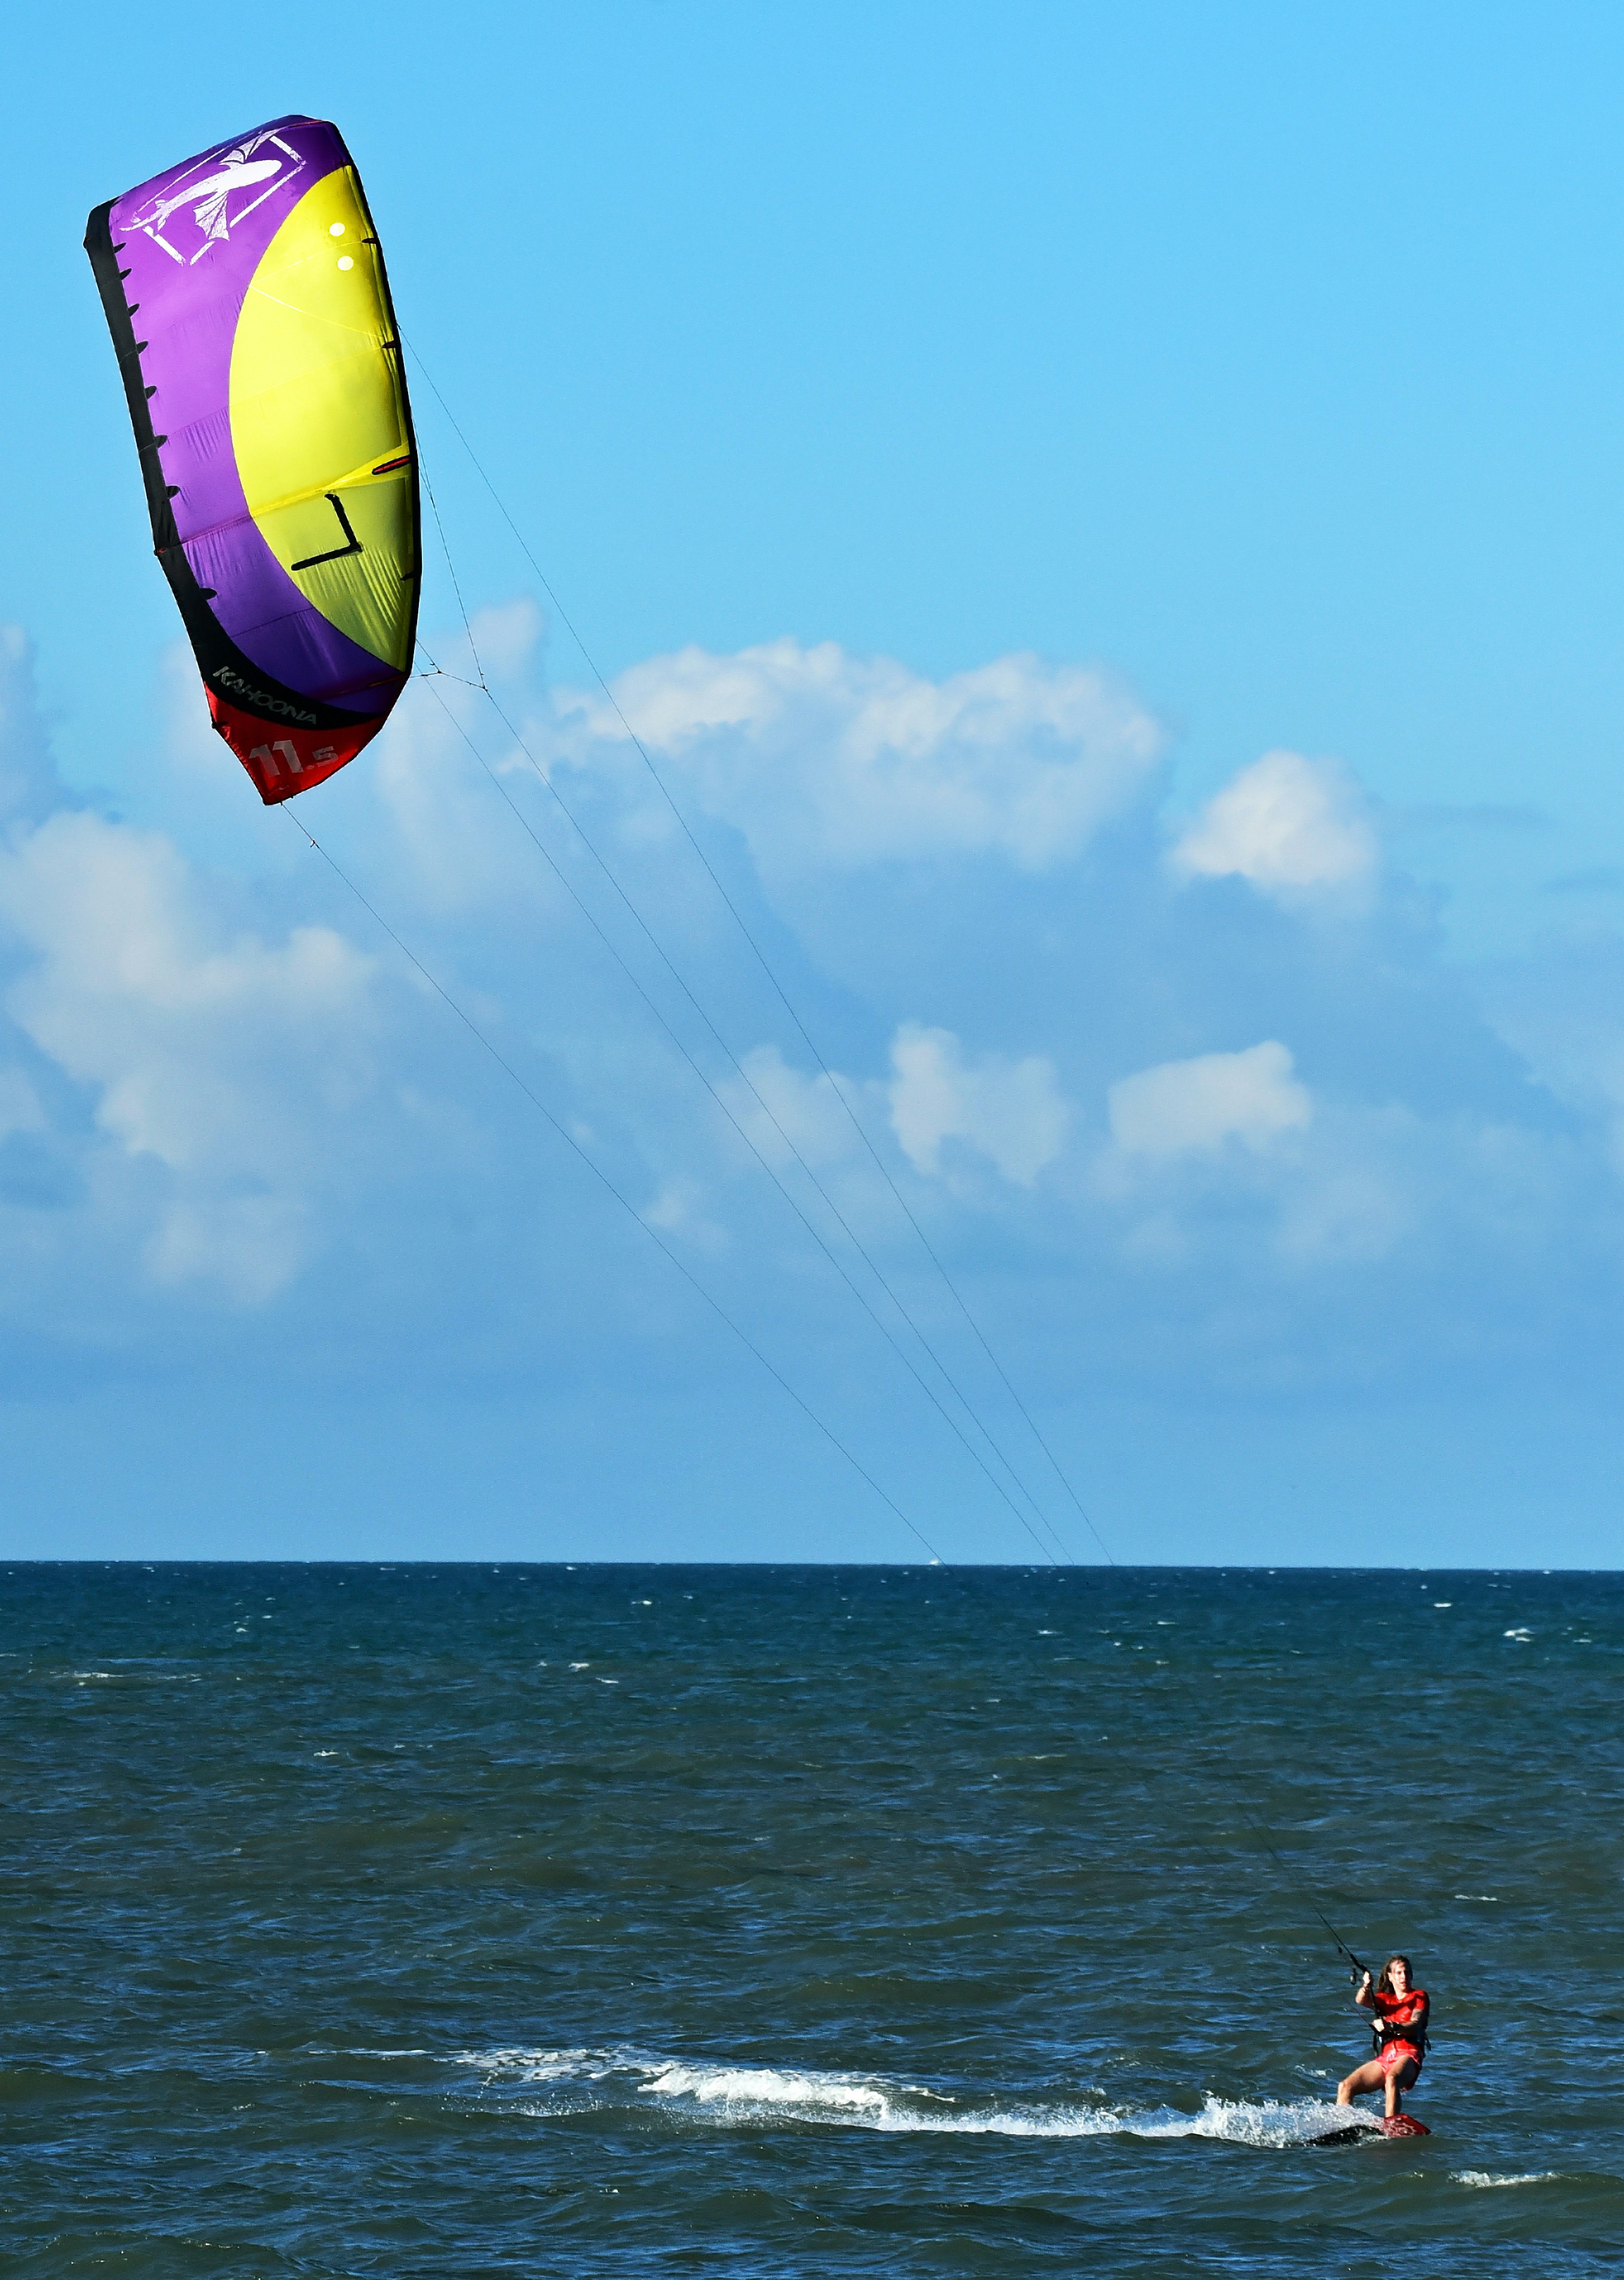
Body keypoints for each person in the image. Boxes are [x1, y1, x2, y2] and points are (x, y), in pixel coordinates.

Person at [1336, 1954, 1429, 2119]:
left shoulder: (1419, 1997)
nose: (1404, 1977)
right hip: (1386, 2058)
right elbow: (1361, 2000)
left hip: (1410, 2055)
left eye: (1407, 1972)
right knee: (1345, 2086)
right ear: (1391, 1977)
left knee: (1392, 2078)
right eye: (1399, 1973)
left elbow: (1416, 2023)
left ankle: (1391, 2126)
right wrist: (1366, 1985)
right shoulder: (1385, 2000)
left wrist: (1391, 2026)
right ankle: (1343, 2125)